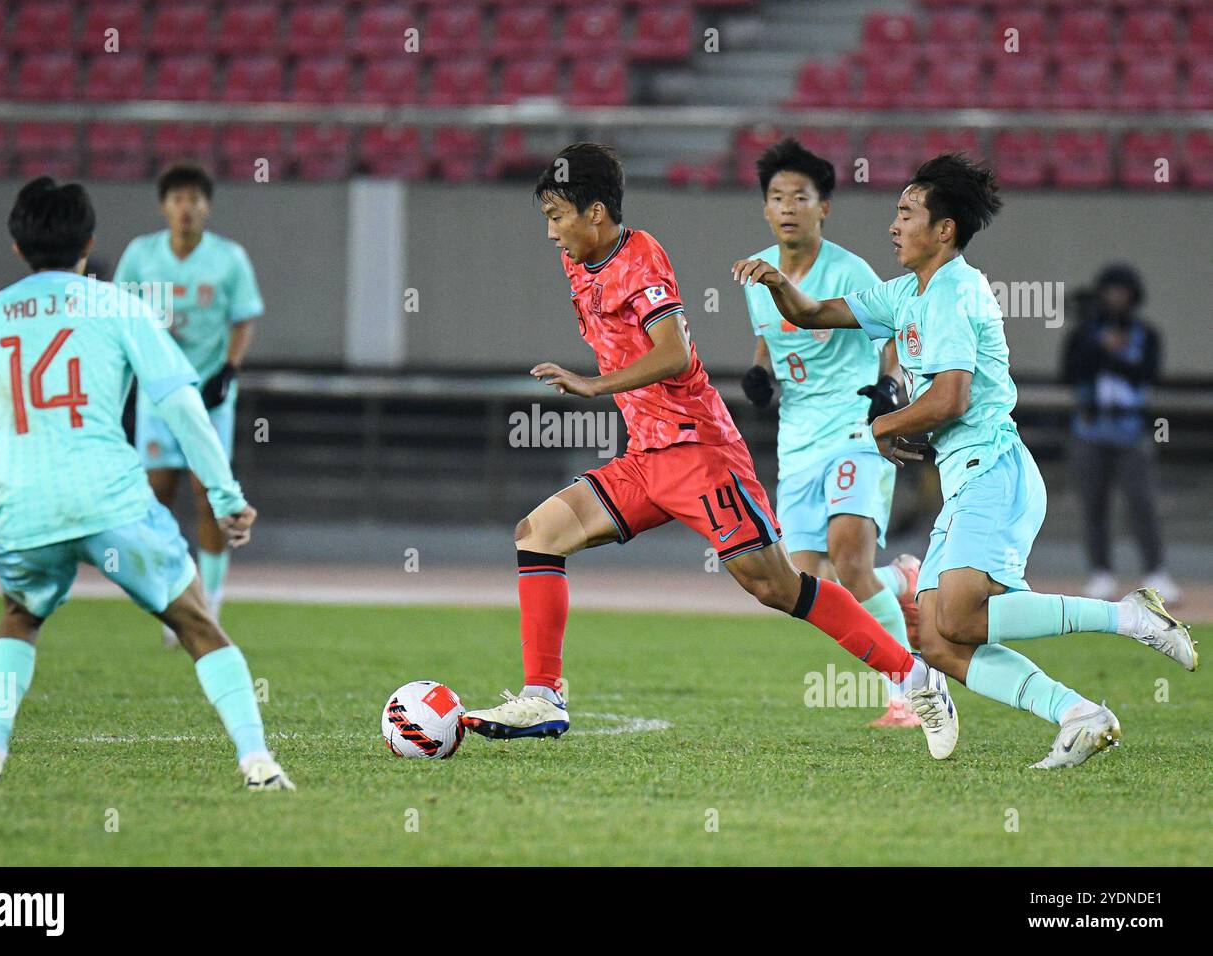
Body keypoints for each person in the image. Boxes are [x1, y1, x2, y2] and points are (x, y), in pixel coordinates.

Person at [462, 143, 958, 756]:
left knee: (782, 588)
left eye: (558, 215)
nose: (550, 232)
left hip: (699, 454)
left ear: (596, 214)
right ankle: (542, 697)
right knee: (537, 533)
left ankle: (917, 680)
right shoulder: (579, 261)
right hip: (646, 457)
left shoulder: (639, 259)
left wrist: (593, 383)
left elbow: (674, 355)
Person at [733, 154, 1198, 769]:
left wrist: (880, 427)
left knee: (958, 616)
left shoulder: (954, 290)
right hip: (966, 479)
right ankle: (1079, 714)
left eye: (906, 213)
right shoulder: (907, 292)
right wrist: (775, 283)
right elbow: (815, 314)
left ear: (944, 228)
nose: (893, 226)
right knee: (936, 639)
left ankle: (1126, 615)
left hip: (994, 470)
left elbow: (952, 397)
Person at [0, 177, 292, 790]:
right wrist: (227, 496)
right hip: (110, 499)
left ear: (18, 248)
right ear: (89, 242)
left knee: (19, 615)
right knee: (195, 623)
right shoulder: (118, 305)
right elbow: (181, 404)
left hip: (21, 507)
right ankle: (257, 763)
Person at [738, 138, 923, 728]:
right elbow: (769, 337)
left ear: (824, 208)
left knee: (848, 558)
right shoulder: (756, 275)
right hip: (797, 444)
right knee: (809, 581)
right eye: (776, 196)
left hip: (852, 430)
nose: (787, 206)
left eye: (801, 196)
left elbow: (891, 337)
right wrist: (762, 375)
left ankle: (909, 692)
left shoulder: (849, 271)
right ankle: (904, 580)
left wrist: (890, 388)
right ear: (766, 209)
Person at [113, 163, 263, 646]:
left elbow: (244, 319)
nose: (186, 209)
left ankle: (211, 600)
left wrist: (229, 369)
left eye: (194, 200)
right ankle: (170, 596)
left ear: (207, 206)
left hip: (209, 396)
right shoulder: (141, 256)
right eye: (177, 199)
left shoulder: (228, 259)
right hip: (158, 395)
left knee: (209, 495)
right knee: (155, 496)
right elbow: (120, 317)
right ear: (164, 206)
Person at [1060, 264, 1175, 602]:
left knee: (1142, 503)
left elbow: (1148, 374)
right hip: (1090, 428)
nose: (1116, 298)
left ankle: (1156, 571)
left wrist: (1114, 355)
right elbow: (1070, 372)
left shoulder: (1146, 335)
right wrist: (1100, 347)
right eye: (1110, 291)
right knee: (1093, 504)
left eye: (1122, 291)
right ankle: (1101, 572)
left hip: (1132, 428)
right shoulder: (1084, 334)